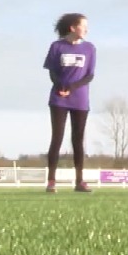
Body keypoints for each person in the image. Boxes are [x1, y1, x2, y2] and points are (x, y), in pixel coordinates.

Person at [43, 12, 97, 193]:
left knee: (78, 139)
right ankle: (51, 181)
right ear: (73, 28)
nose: (86, 29)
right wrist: (60, 86)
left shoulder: (90, 48)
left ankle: (80, 181)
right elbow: (52, 71)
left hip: (80, 99)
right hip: (59, 98)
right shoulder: (56, 46)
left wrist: (72, 88)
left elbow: (89, 75)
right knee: (57, 138)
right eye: (83, 25)